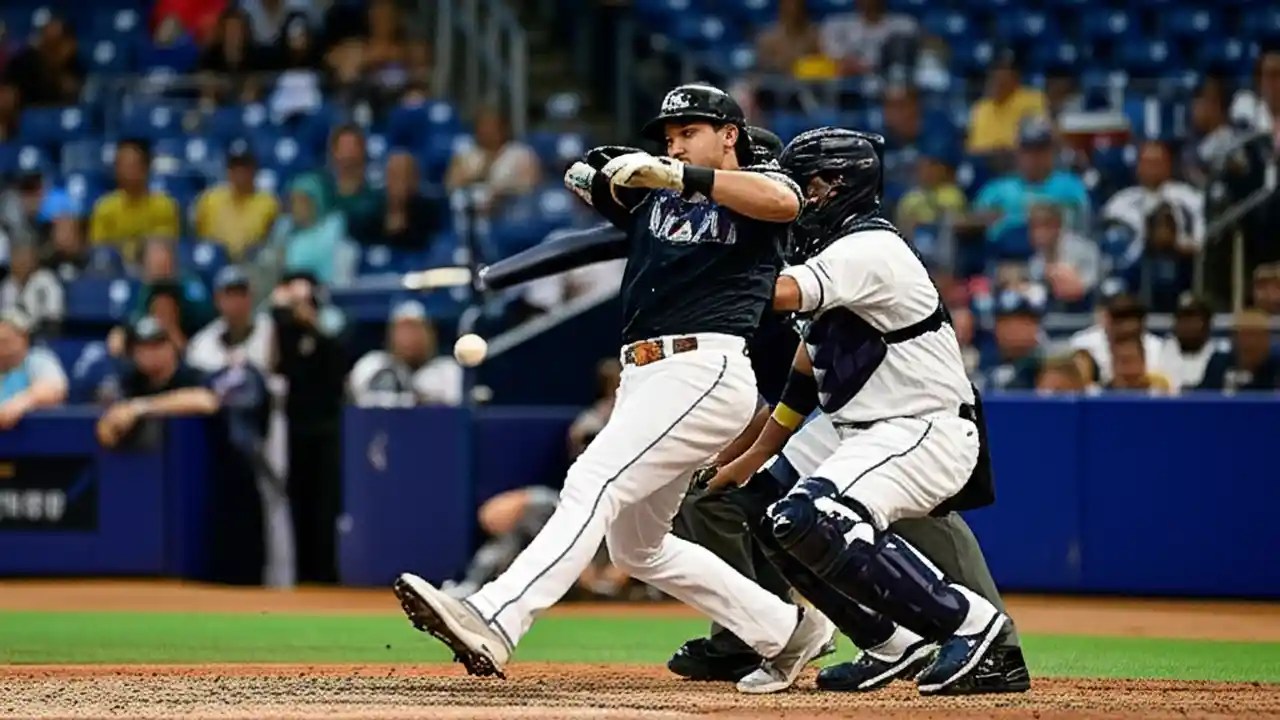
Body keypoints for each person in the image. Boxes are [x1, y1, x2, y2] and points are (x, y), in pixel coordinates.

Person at [393, 83, 833, 693]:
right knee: (639, 548)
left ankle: (495, 616)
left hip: (704, 367)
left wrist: (679, 176)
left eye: (690, 132)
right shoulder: (654, 202)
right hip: (645, 375)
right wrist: (604, 168)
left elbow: (783, 202)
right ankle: (786, 631)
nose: (676, 145)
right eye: (671, 137)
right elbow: (587, 178)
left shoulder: (755, 189)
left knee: (592, 480)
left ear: (729, 134)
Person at [709, 127, 1017, 696]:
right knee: (763, 499)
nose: (796, 199)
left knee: (816, 515)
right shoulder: (834, 248)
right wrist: (755, 454)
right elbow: (809, 364)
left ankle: (974, 627)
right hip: (861, 431)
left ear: (835, 186)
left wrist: (703, 256)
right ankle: (889, 642)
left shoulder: (869, 247)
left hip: (921, 424)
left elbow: (774, 294)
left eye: (805, 186)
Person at [347, 300, 462, 407]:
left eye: (416, 329)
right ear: (390, 334)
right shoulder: (371, 367)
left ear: (430, 334)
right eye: (403, 330)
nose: (409, 337)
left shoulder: (449, 371)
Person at [88, 139, 180, 261]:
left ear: (146, 168)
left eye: (132, 165)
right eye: (121, 165)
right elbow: (99, 249)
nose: (126, 172)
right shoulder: (105, 207)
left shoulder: (164, 206)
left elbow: (165, 245)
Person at [192, 140, 279, 260]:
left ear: (254, 170)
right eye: (235, 168)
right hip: (216, 262)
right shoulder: (210, 200)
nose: (240, 173)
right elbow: (197, 237)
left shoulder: (268, 203)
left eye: (244, 168)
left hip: (252, 263)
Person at [0, 309, 68, 430]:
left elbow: (55, 388)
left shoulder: (39, 360)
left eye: (6, 341)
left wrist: (19, 404)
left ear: (24, 339)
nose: (2, 348)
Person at [1155, 293, 1222, 391]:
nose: (1188, 326)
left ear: (1208, 323)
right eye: (1183, 319)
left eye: (1194, 320)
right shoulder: (1159, 352)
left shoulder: (1220, 357)